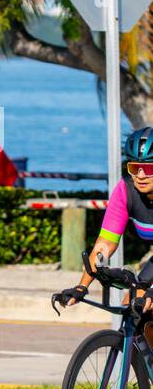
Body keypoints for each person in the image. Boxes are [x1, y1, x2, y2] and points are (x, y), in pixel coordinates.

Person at [55, 126, 153, 317]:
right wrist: (82, 286)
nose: (140, 176)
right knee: (133, 305)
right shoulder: (125, 192)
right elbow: (105, 244)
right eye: (134, 168)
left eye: (148, 168)